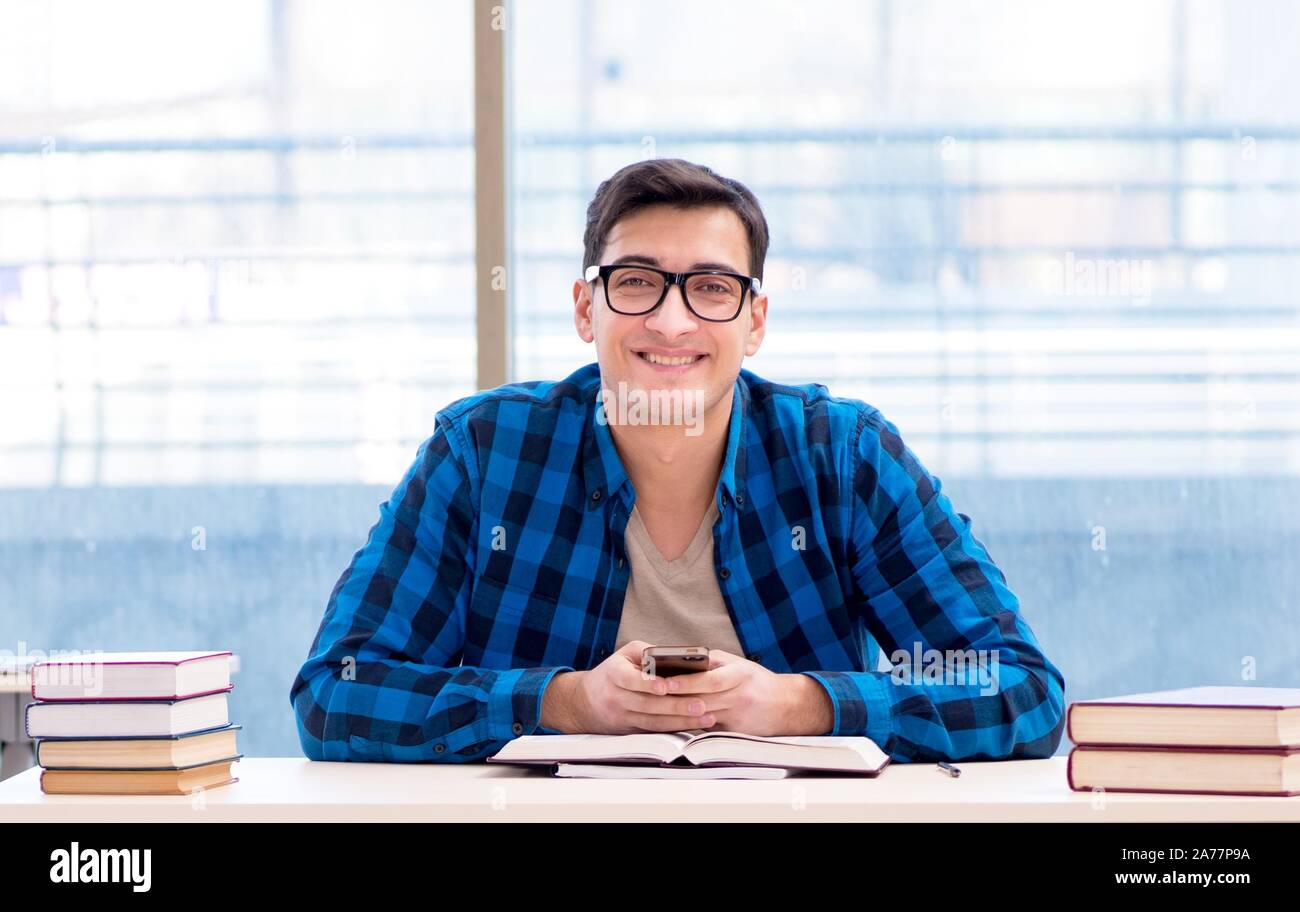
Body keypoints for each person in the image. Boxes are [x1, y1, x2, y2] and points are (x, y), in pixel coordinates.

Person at [289, 158, 1066, 763]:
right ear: (584, 308)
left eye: (710, 288)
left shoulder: (845, 455)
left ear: (755, 320)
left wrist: (804, 706)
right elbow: (336, 692)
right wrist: (564, 703)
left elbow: (1019, 687)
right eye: (636, 283)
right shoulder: (481, 453)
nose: (670, 319)